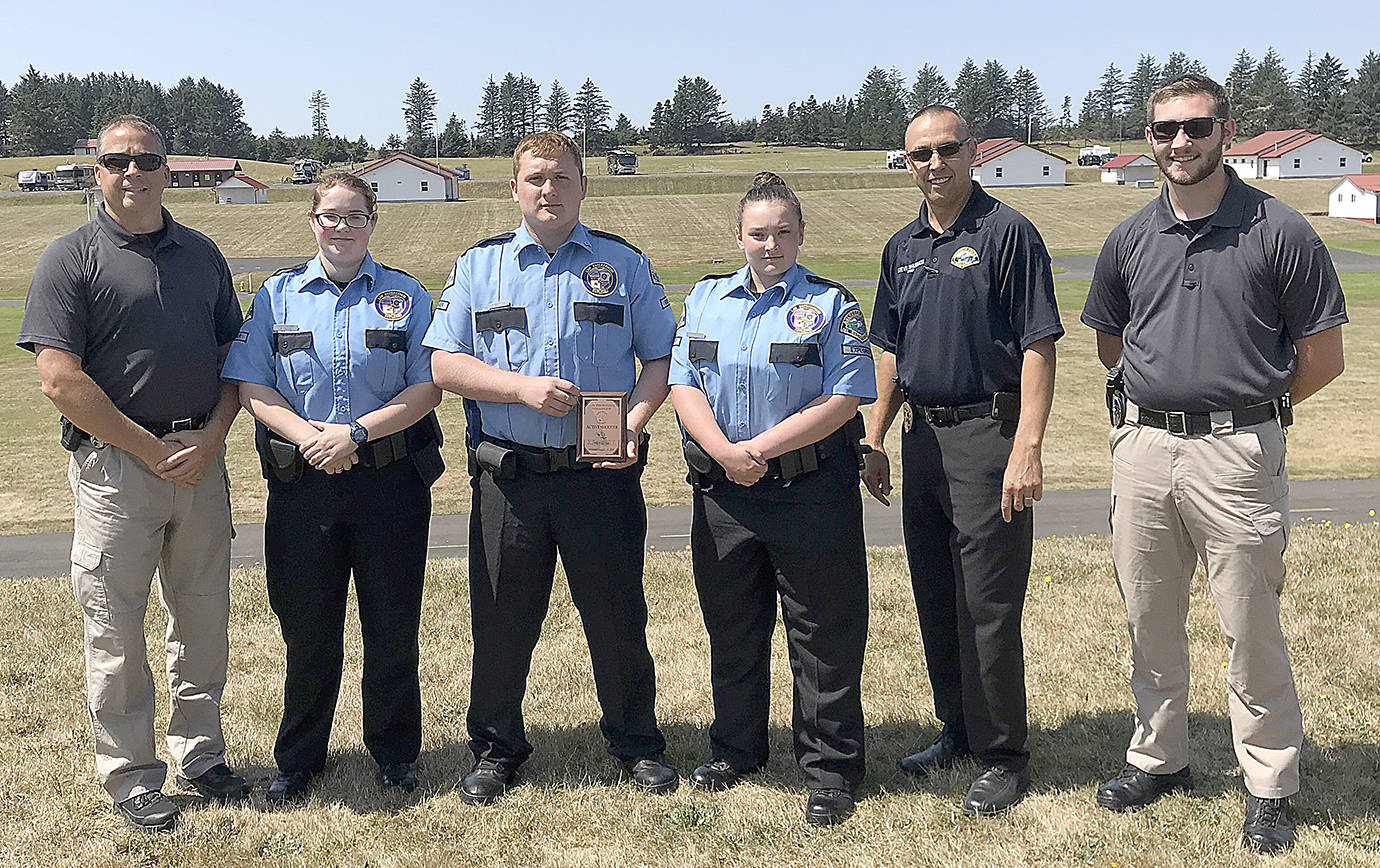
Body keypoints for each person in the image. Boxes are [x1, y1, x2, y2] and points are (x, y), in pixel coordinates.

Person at [1081, 75, 1346, 855]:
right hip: (1144, 450)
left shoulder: (1280, 230)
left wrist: (1250, 414)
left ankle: (1269, 783)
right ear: (1149, 138)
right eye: (1164, 131)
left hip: (1237, 453)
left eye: (1195, 128)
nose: (1180, 144)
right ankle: (1160, 758)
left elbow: (1322, 358)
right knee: (1148, 617)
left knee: (1249, 625)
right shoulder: (1131, 236)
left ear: (1226, 129)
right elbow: (1111, 343)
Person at [423, 131, 678, 804]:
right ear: (514, 189)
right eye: (534, 178)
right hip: (512, 479)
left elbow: (660, 361)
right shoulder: (479, 269)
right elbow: (443, 364)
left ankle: (635, 742)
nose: (547, 189)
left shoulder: (623, 266)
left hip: (602, 477)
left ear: (582, 187)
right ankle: (496, 749)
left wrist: (633, 422)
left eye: (561, 177)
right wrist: (519, 388)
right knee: (503, 620)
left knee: (618, 616)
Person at [17, 115, 249, 832]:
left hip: (199, 464)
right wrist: (149, 451)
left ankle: (201, 753)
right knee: (116, 630)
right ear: (97, 172)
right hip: (118, 469)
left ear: (167, 170)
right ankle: (132, 775)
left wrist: (211, 439)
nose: (132, 172)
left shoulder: (202, 254)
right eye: (117, 160)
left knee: (203, 616)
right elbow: (60, 379)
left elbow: (233, 361)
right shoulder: (70, 257)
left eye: (146, 159)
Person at [861, 105, 1062, 817]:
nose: (935, 164)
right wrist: (877, 435)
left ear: (971, 152)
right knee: (937, 594)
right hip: (922, 442)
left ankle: (1004, 754)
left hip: (989, 436)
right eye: (921, 154)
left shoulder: (1008, 233)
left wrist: (1027, 448)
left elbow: (1040, 343)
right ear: (907, 163)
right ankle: (957, 730)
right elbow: (891, 351)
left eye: (947, 149)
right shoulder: (902, 246)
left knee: (988, 603)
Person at [222, 173, 443, 802]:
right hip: (303, 486)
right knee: (308, 629)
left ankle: (396, 754)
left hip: (390, 483)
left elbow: (426, 386)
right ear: (312, 221)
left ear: (373, 222)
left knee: (392, 625)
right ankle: (299, 759)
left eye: (354, 216)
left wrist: (357, 434)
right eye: (329, 216)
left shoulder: (405, 294)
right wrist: (312, 438)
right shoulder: (276, 296)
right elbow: (252, 386)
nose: (340, 227)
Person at [668, 173, 875, 825]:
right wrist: (727, 455)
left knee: (822, 634)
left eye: (784, 232)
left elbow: (844, 397)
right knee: (733, 627)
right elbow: (684, 383)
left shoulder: (833, 304)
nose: (771, 243)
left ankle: (830, 770)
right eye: (758, 233)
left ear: (802, 235)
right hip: (724, 493)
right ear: (739, 237)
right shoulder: (704, 300)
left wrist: (760, 450)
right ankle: (737, 749)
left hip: (811, 491)